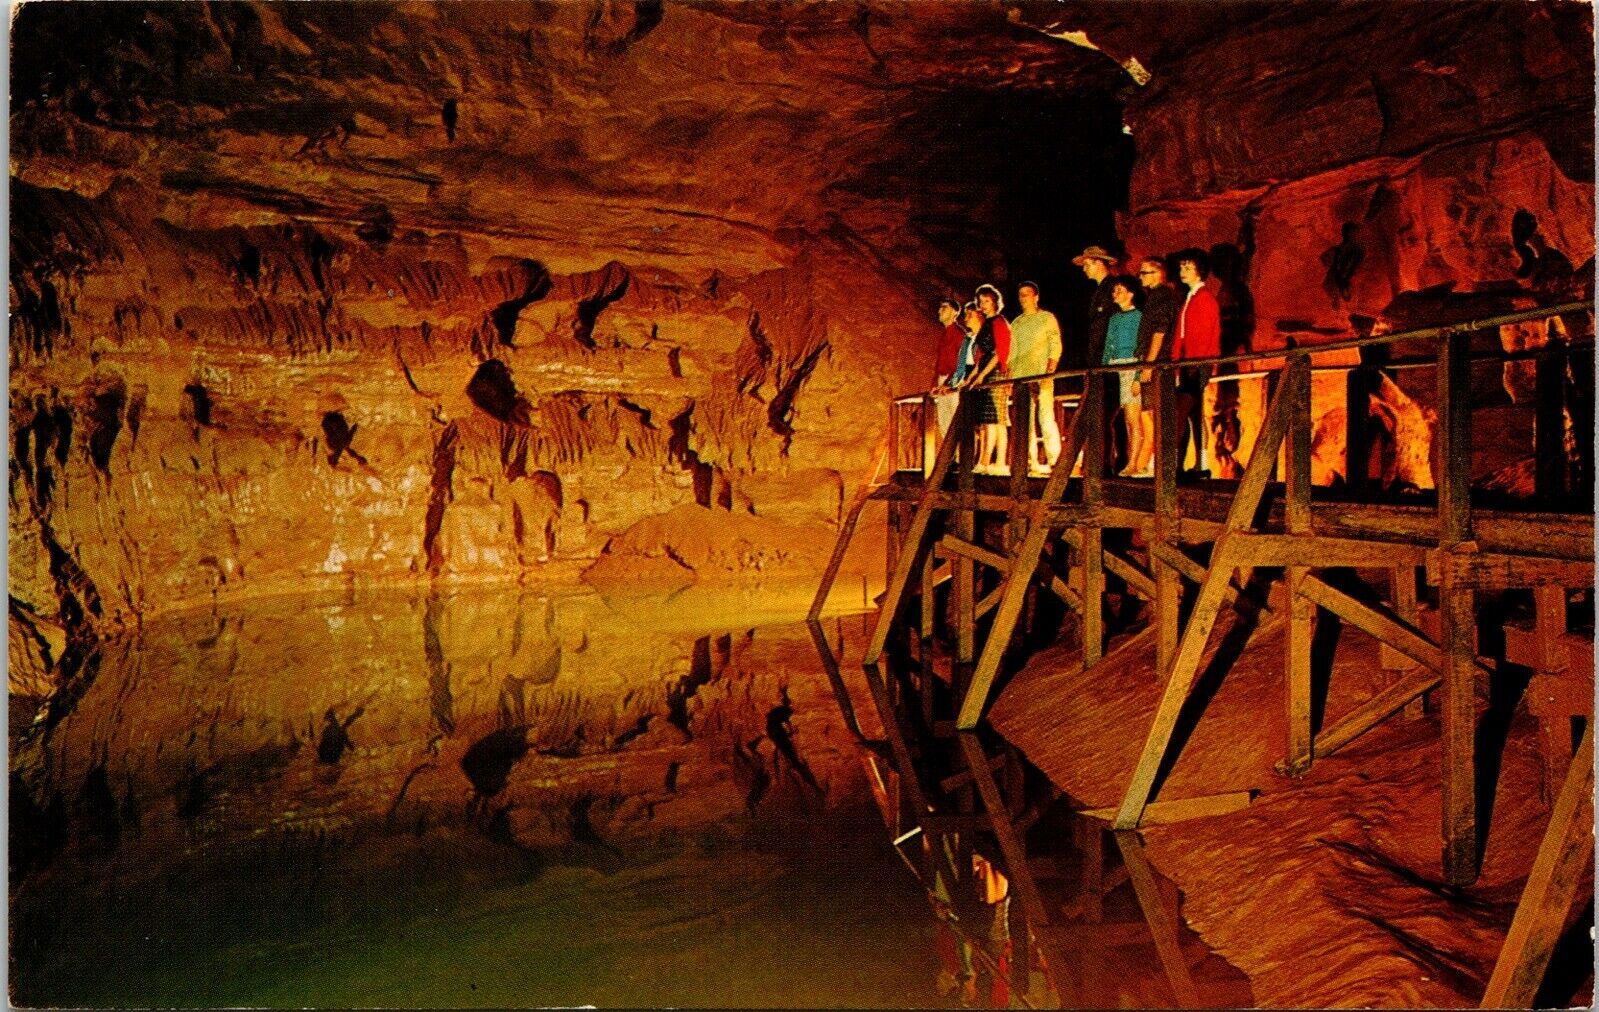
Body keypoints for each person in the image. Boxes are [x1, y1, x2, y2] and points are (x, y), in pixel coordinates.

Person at [1172, 247, 1221, 478]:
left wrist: (1196, 364)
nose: (1183, 271)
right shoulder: (1190, 298)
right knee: (1192, 416)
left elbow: (1204, 335)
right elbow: (1181, 334)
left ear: (1200, 271)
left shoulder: (1204, 299)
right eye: (1182, 266)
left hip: (1196, 364)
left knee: (1181, 413)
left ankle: (1179, 464)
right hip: (1188, 364)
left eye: (1188, 267)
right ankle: (1197, 464)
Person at [1128, 258, 1179, 475]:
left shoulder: (1162, 297)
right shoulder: (1154, 298)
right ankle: (1143, 462)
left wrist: (1148, 365)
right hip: (1151, 360)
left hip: (1156, 362)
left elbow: (1159, 332)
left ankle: (1150, 463)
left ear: (1158, 274)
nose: (1140, 277)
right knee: (1147, 413)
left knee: (1150, 414)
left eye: (1144, 273)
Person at [1008, 282, 1063, 473]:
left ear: (1036, 296)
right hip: (1021, 376)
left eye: (1027, 294)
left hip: (1041, 373)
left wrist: (1050, 370)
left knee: (1046, 416)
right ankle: (1030, 460)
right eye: (1020, 295)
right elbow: (1012, 352)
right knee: (1025, 421)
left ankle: (1055, 459)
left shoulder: (1046, 318)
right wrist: (1011, 376)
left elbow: (1055, 344)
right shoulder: (1017, 323)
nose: (1023, 298)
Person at [970, 284, 1012, 473]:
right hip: (986, 369)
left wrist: (983, 374)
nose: (983, 305)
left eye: (987, 301)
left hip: (996, 371)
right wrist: (973, 376)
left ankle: (995, 460)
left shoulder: (999, 322)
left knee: (996, 418)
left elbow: (999, 352)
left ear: (995, 302)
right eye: (981, 302)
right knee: (989, 419)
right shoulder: (987, 323)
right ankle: (987, 459)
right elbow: (981, 355)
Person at [1104, 276, 1143, 476]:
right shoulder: (1114, 319)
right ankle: (1120, 459)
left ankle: (1134, 462)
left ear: (1130, 293)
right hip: (1113, 368)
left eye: (1120, 290)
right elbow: (1108, 346)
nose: (1115, 294)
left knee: (1132, 417)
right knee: (1113, 418)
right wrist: (1102, 371)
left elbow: (1141, 347)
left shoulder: (1139, 317)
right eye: (1114, 290)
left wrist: (1137, 376)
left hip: (1130, 365)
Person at [1072, 246, 1119, 369]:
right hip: (1097, 354)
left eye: (1087, 265)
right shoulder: (1098, 291)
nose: (1084, 269)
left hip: (1108, 354)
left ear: (1098, 263)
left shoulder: (1113, 287)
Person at [931, 298, 965, 435]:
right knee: (943, 421)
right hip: (943, 380)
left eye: (944, 308)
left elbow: (961, 363)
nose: (940, 311)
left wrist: (950, 382)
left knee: (954, 420)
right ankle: (950, 455)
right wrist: (935, 383)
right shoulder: (944, 335)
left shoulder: (959, 335)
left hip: (954, 381)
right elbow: (940, 362)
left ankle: (957, 454)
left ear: (954, 312)